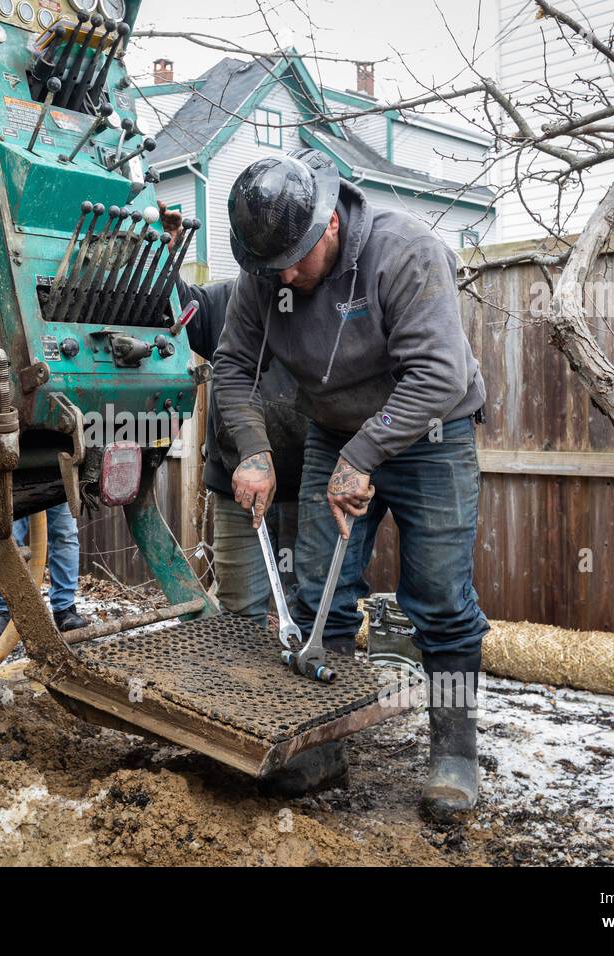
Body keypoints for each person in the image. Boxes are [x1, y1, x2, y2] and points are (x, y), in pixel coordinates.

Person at [213, 148, 490, 821]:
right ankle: (324, 741)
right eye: (269, 267)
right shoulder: (267, 269)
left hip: (432, 433)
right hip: (334, 431)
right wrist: (251, 451)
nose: (282, 277)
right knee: (319, 593)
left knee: (441, 599)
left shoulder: (405, 251)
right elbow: (230, 368)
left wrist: (365, 455)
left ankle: (454, 754)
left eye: (293, 263)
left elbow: (439, 377)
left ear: (328, 225)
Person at [160, 204, 305, 626]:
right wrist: (163, 258)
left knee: (312, 610)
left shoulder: (324, 302)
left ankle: (299, 689)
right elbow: (180, 314)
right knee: (241, 613)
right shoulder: (228, 299)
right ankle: (247, 691)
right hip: (236, 487)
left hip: (309, 484)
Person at [0, 502, 90, 637]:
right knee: (7, 536)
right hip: (11, 484)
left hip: (56, 482)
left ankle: (65, 610)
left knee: (64, 535)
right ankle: (5, 610)